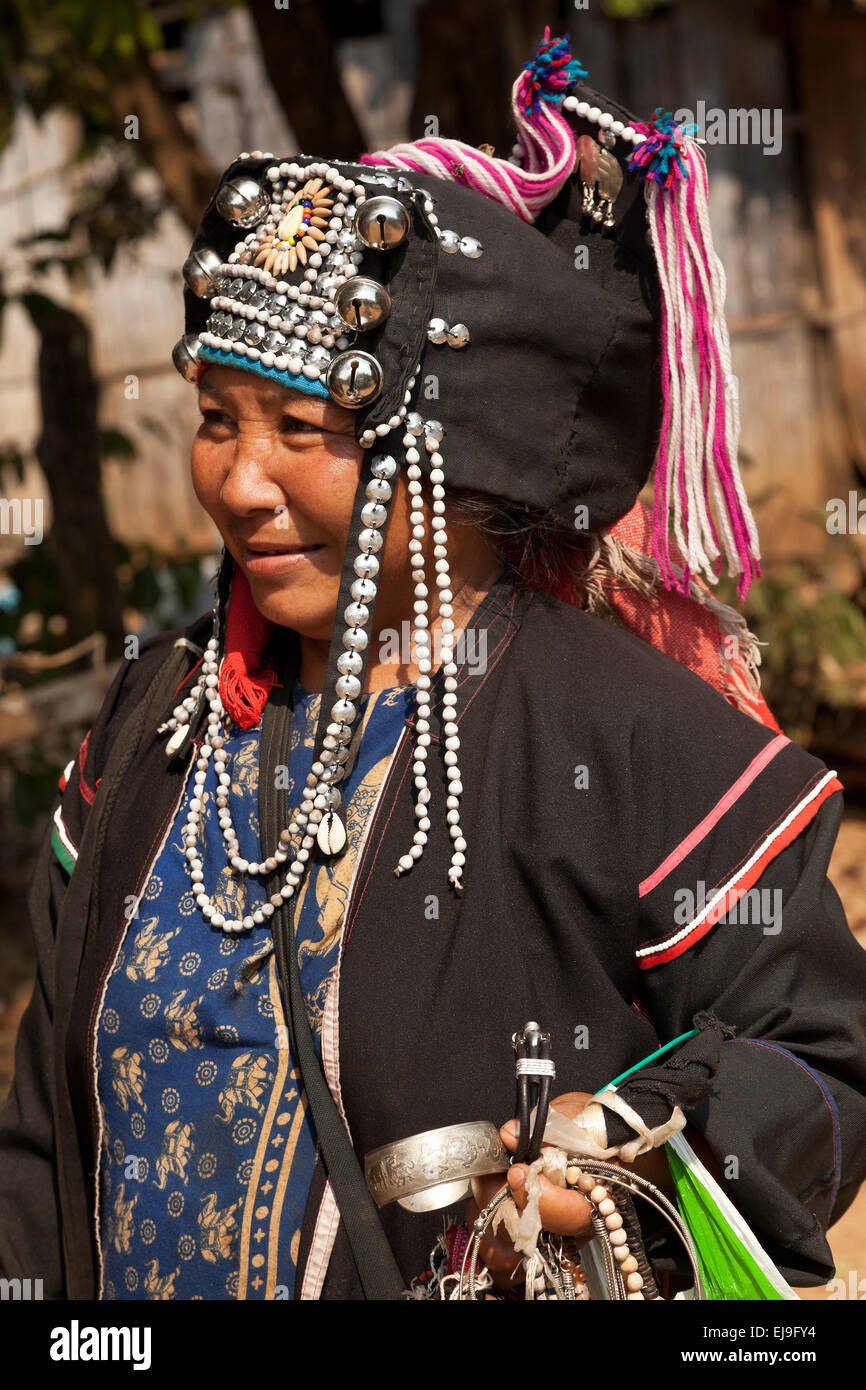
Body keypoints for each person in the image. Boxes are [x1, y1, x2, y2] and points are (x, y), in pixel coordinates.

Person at [1, 31, 864, 1302]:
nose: (241, 484)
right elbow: (38, 1143)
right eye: (214, 421)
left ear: (453, 464)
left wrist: (623, 1179)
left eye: (303, 429)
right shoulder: (152, 728)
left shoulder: (627, 739)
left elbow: (820, 1054)